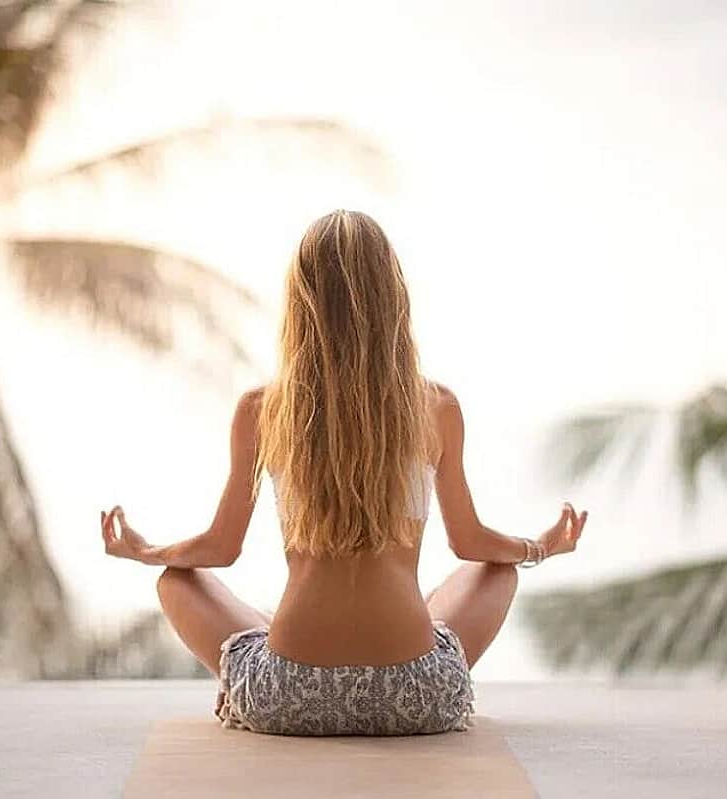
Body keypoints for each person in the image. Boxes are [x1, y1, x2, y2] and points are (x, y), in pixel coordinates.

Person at [98, 209, 588, 736]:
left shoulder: (263, 409)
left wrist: (148, 552)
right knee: (497, 568)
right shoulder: (435, 407)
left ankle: (279, 638)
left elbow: (220, 549)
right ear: (392, 300)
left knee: (176, 581)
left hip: (287, 696)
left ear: (300, 304)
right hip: (415, 696)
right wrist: (538, 548)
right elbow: (471, 544)